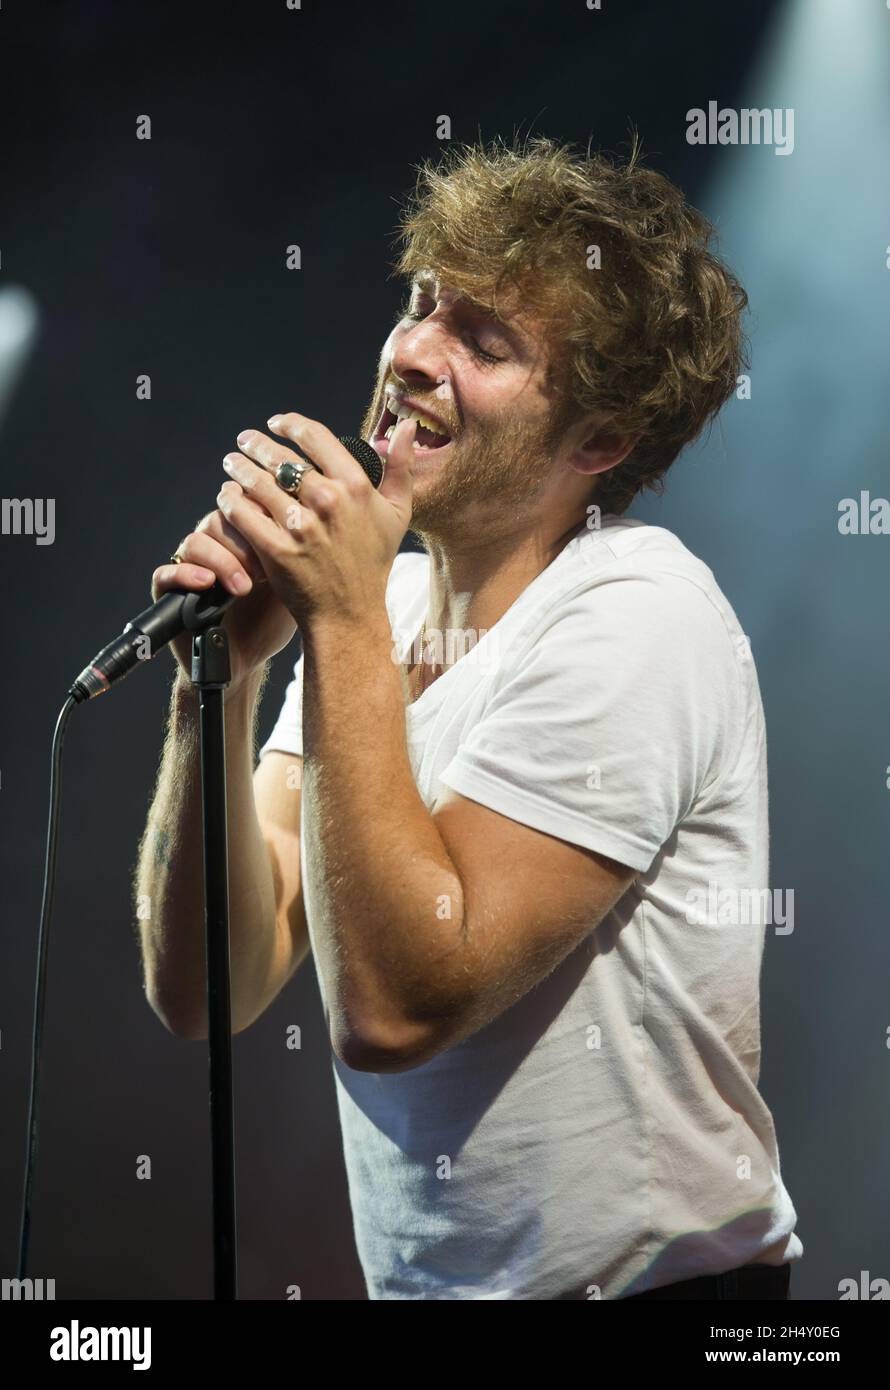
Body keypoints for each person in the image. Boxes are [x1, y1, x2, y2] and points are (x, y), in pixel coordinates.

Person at [134, 135, 803, 1300]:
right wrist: (222, 691)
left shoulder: (636, 615)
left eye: (482, 342)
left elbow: (396, 1012)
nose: (412, 354)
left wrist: (335, 623)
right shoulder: (383, 605)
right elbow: (212, 987)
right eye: (421, 302)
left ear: (595, 440)